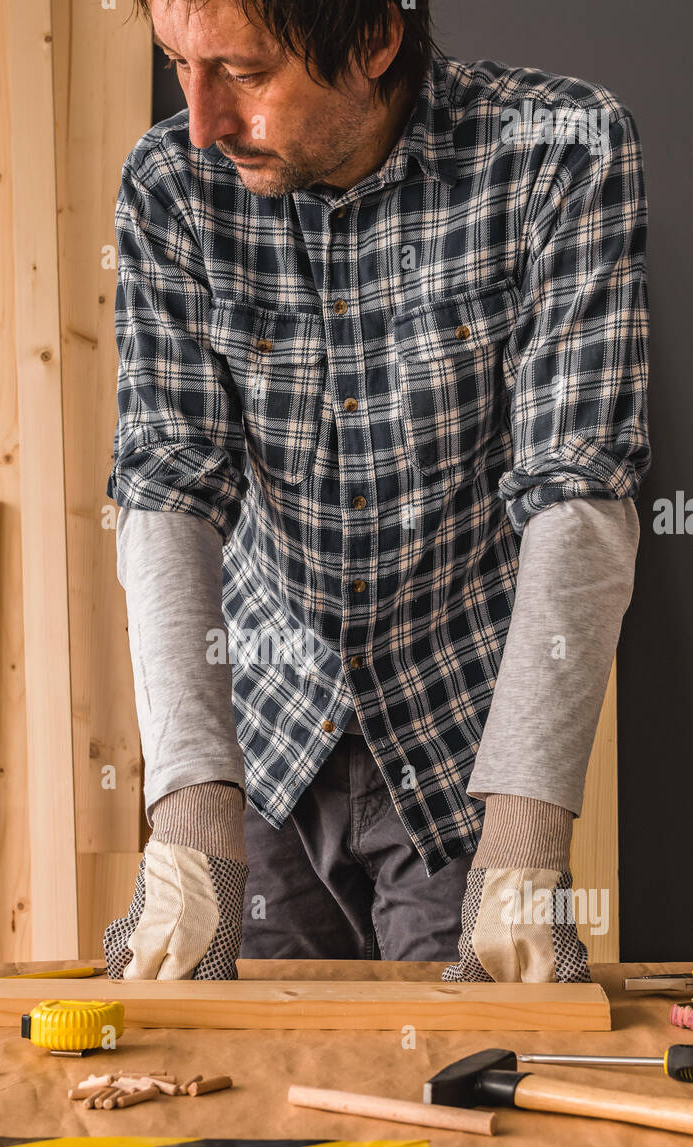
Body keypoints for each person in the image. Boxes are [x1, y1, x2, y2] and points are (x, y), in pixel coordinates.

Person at [103, 0, 649, 982]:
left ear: (374, 42)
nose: (200, 122)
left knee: (459, 1096)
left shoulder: (560, 153)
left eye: (245, 72)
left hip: (459, 756)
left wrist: (525, 834)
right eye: (177, 63)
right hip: (261, 738)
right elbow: (167, 491)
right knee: (245, 1104)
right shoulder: (170, 185)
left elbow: (580, 494)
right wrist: (188, 813)